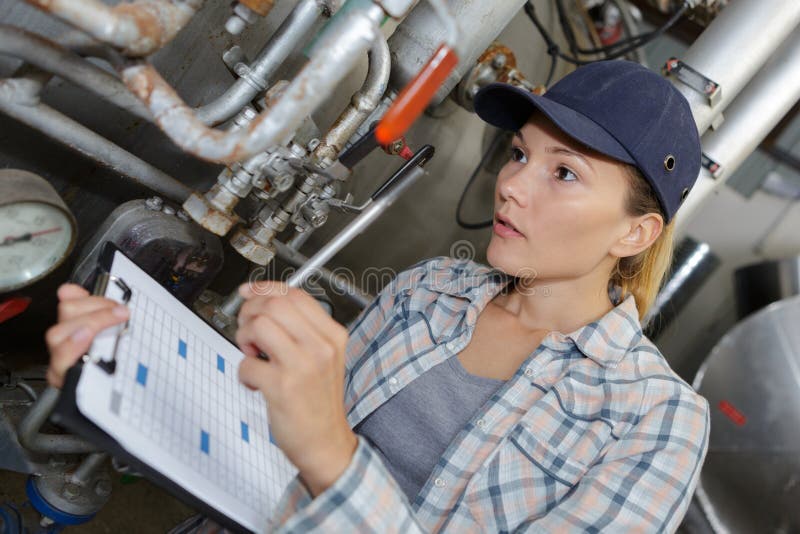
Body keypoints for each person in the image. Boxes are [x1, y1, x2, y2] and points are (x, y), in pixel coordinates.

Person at [45, 60, 710, 532]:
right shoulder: (433, 287)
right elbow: (271, 446)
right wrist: (134, 368)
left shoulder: (657, 421)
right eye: (519, 154)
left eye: (563, 172)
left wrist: (333, 457)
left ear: (634, 232)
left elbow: (320, 443)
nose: (511, 185)